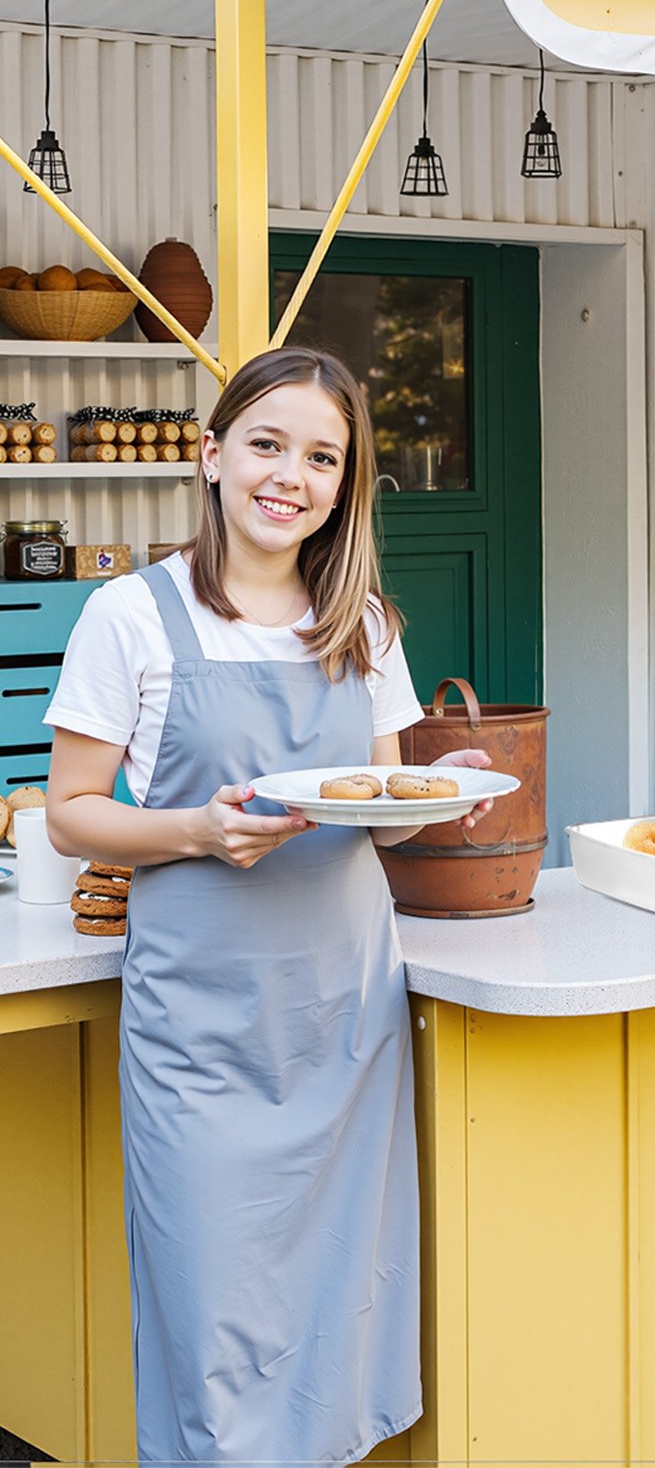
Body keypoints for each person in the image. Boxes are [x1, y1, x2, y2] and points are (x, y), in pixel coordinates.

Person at [43, 346, 492, 1464]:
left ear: (345, 484)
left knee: (340, 1314)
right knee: (214, 1328)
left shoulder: (365, 627)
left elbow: (378, 812)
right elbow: (72, 813)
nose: (291, 474)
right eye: (268, 443)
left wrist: (445, 796)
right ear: (211, 456)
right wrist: (199, 828)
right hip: (201, 1029)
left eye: (323, 456)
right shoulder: (129, 616)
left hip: (343, 1018)